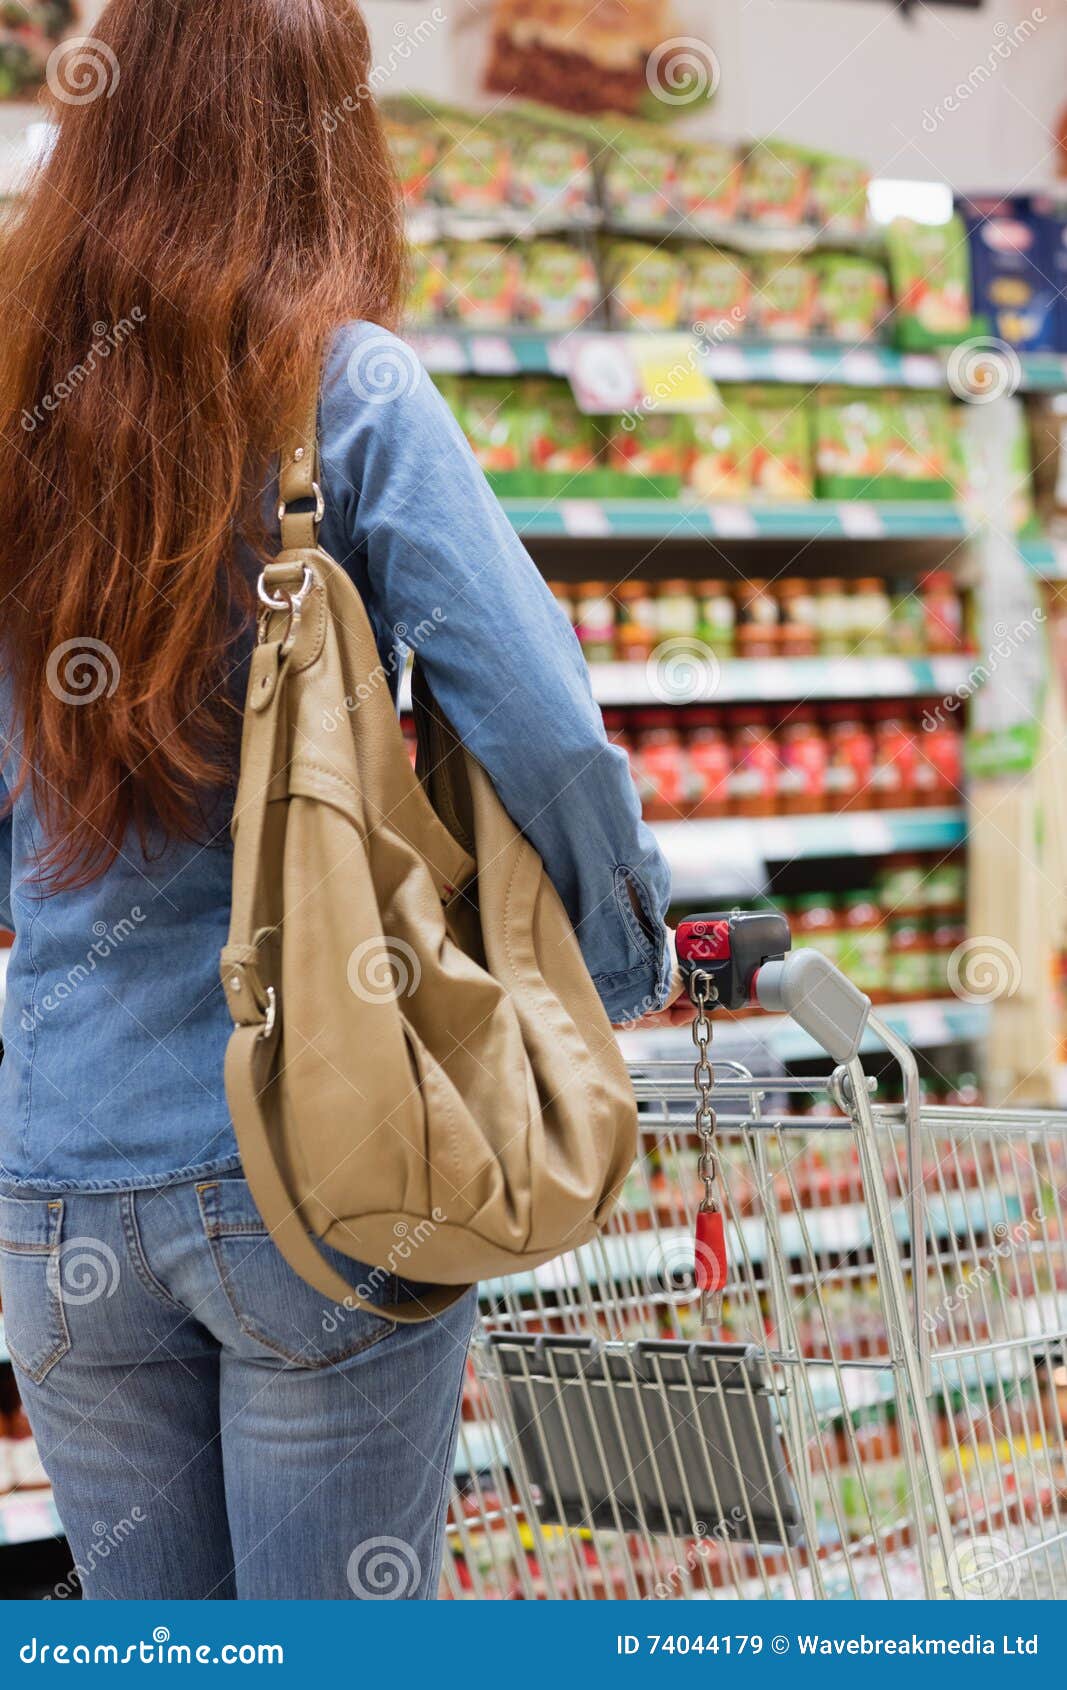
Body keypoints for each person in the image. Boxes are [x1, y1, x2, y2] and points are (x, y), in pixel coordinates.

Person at [0, 0, 683, 1601]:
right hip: (321, 1153)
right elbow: (543, 722)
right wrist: (618, 956)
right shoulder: (347, 389)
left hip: (56, 1183)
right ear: (322, 135)